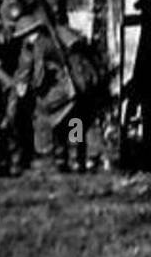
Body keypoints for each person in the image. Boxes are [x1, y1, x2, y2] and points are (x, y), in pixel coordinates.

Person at [9, 14, 103, 172]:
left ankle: (56, 158)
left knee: (49, 121)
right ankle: (75, 159)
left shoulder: (40, 45)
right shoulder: (54, 38)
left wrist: (27, 89)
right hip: (74, 87)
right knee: (75, 122)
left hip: (60, 91)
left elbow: (39, 77)